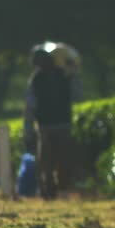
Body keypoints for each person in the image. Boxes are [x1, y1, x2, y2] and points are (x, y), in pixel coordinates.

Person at [23, 41, 81, 199]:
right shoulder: (37, 80)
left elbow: (76, 95)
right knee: (46, 162)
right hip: (46, 126)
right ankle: (48, 189)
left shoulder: (65, 75)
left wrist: (73, 73)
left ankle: (59, 188)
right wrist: (28, 129)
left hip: (60, 124)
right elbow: (30, 106)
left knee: (60, 161)